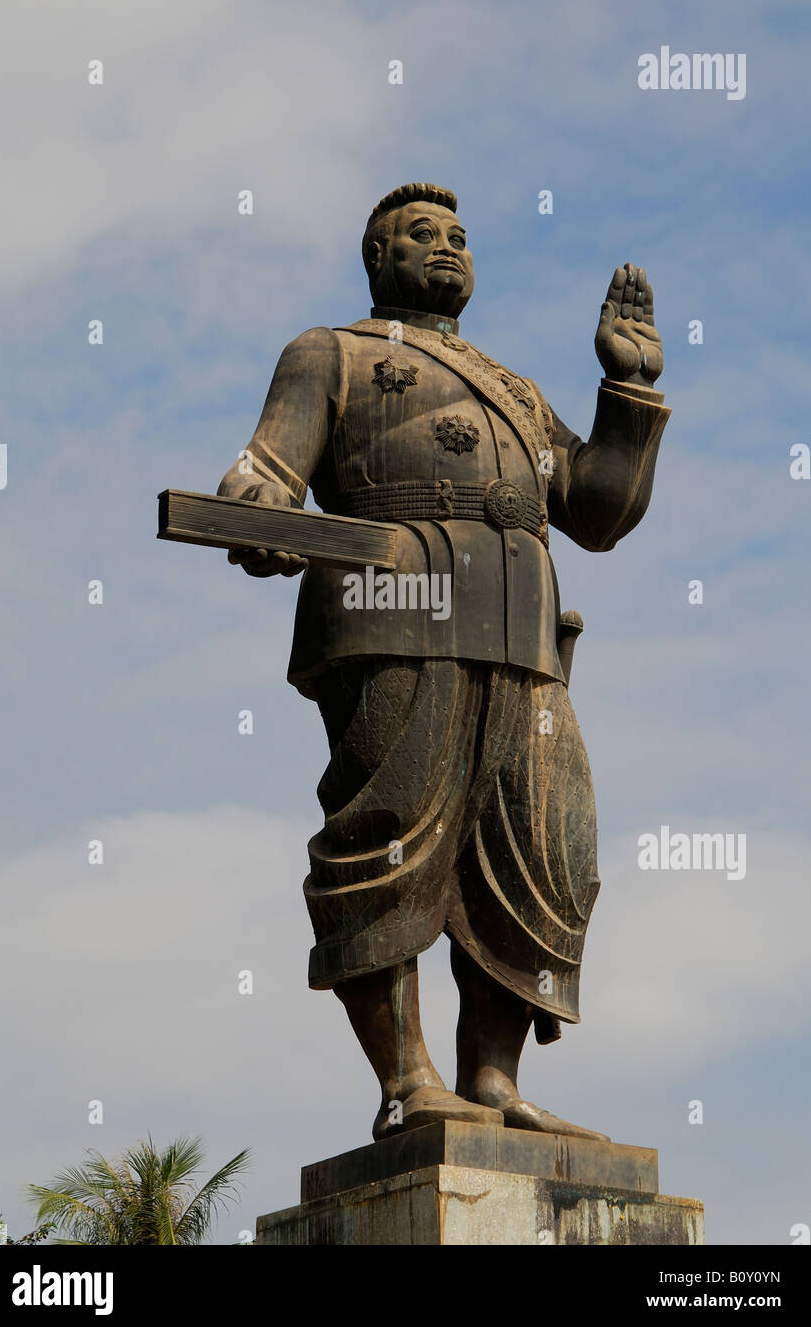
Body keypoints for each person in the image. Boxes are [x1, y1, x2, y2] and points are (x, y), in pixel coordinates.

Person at [218, 183, 669, 1141]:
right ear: (378, 259)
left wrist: (625, 395)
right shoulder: (329, 353)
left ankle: (492, 1080)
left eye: (460, 236)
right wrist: (258, 509)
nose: (447, 247)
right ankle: (406, 1080)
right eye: (422, 235)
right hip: (394, 605)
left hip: (520, 632)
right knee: (390, 832)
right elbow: (265, 467)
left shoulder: (513, 388)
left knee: (544, 839)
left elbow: (594, 512)